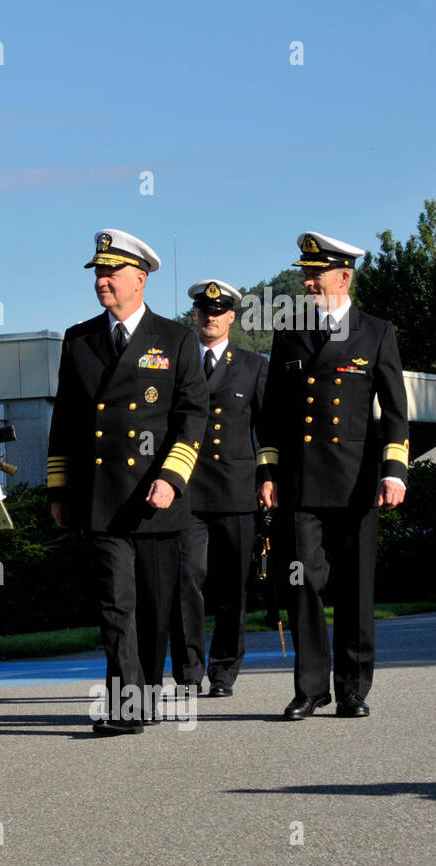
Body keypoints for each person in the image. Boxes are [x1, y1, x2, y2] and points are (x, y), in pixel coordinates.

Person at [47, 229, 208, 735]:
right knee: (117, 603)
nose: (102, 281)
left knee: (156, 606)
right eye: (98, 273)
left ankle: (148, 691)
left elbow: (192, 415)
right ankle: (127, 705)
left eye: (111, 273)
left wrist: (172, 477)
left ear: (139, 279)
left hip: (156, 497)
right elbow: (67, 422)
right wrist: (59, 488)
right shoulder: (79, 340)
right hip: (101, 496)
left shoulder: (176, 339)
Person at [257, 232, 409, 720]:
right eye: (305, 273)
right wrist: (269, 472)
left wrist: (394, 472)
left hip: (357, 482)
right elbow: (273, 414)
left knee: (356, 588)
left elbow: (395, 412)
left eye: (315, 274)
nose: (307, 282)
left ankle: (352, 688)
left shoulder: (376, 332)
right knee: (302, 582)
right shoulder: (289, 333)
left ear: (344, 276)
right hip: (301, 484)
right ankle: (310, 688)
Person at [170, 279, 266, 698]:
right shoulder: (178, 362)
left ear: (230, 317)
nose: (210, 317)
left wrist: (268, 478)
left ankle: (224, 670)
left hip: (236, 490)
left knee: (232, 586)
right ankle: (189, 670)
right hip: (187, 491)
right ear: (195, 315)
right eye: (203, 311)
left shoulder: (253, 365)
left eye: (218, 311)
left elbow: (268, 429)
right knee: (186, 580)